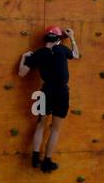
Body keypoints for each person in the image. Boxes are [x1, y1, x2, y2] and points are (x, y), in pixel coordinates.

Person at [18, 24, 79, 172]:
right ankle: (47, 161)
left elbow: (21, 73)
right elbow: (76, 55)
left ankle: (35, 156)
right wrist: (72, 38)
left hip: (45, 91)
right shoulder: (62, 50)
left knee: (40, 124)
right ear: (59, 38)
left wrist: (23, 58)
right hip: (61, 92)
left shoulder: (38, 54)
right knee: (55, 129)